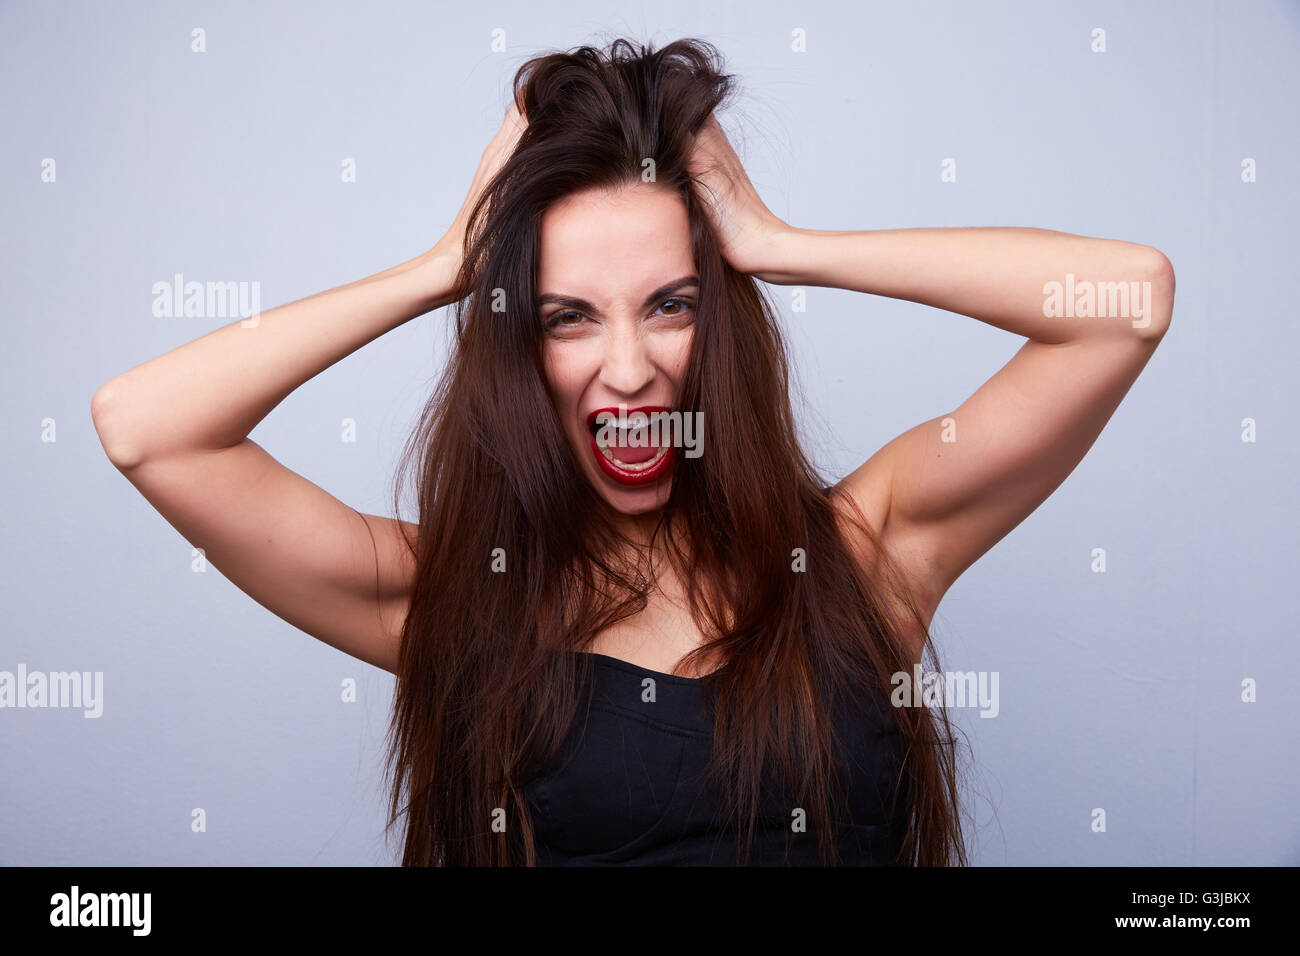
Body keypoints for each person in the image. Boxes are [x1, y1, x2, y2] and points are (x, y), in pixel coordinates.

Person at [90, 37, 1174, 866]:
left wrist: (778, 245)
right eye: (567, 316)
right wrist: (439, 266)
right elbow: (147, 426)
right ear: (518, 343)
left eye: (670, 305)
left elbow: (1126, 303)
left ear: (723, 321)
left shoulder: (863, 551)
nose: (627, 368)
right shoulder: (453, 601)